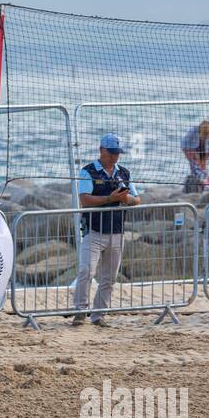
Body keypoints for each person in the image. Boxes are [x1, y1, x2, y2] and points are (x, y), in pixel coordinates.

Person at [72, 133, 141, 328]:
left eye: (117, 153)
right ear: (101, 150)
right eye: (111, 153)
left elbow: (137, 199)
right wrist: (109, 199)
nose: (115, 157)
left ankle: (99, 315)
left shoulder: (124, 173)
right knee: (86, 270)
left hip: (117, 232)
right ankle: (79, 311)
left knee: (109, 277)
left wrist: (125, 199)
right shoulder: (88, 172)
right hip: (94, 231)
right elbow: (84, 200)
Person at [181, 120, 209, 193]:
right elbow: (183, 145)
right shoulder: (192, 131)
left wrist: (205, 160)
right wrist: (188, 155)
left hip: (203, 150)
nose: (205, 137)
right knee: (195, 167)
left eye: (207, 135)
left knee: (203, 168)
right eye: (204, 135)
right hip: (191, 148)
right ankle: (196, 187)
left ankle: (205, 185)